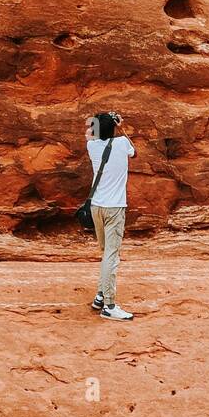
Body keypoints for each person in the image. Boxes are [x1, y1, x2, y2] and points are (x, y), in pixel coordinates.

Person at [85, 111, 135, 320]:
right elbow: (134, 152)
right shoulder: (123, 143)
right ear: (113, 128)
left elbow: (90, 132)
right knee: (111, 257)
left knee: (106, 253)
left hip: (97, 207)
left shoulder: (92, 146)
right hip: (114, 208)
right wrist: (119, 125)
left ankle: (99, 295)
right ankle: (109, 306)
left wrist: (102, 123)